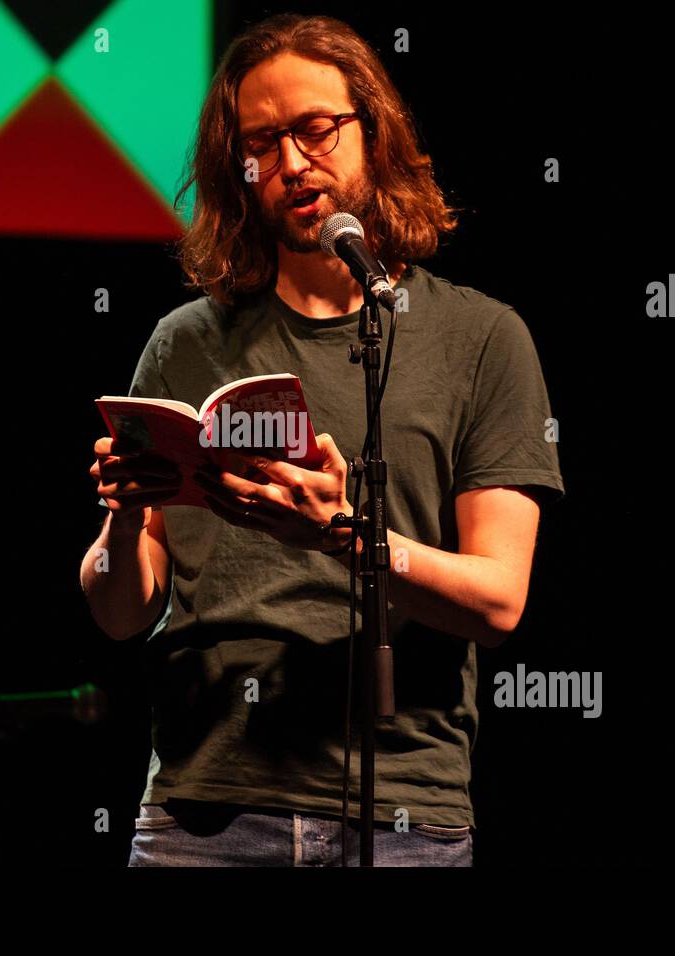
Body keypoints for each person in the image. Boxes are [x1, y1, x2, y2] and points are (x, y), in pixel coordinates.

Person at [79, 13, 564, 867]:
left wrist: (342, 538)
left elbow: (499, 601)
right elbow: (123, 613)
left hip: (405, 815)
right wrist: (121, 519)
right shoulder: (186, 342)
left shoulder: (482, 338)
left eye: (315, 129)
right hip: (205, 813)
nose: (293, 163)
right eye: (261, 143)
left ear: (373, 134)